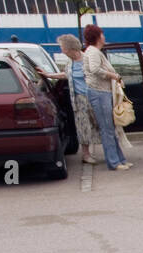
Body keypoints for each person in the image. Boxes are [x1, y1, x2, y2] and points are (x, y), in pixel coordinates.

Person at [81, 25, 131, 171]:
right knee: (107, 128)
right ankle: (114, 162)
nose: (104, 36)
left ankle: (119, 159)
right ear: (97, 36)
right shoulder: (93, 52)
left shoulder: (93, 51)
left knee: (110, 128)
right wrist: (114, 76)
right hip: (99, 92)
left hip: (102, 92)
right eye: (101, 34)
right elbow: (95, 69)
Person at [55, 35, 100, 166]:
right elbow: (67, 75)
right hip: (79, 99)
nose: (61, 50)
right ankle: (86, 154)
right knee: (83, 126)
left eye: (62, 47)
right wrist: (49, 75)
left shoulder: (87, 59)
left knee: (101, 123)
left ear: (69, 48)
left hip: (94, 96)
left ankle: (112, 150)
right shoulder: (70, 62)